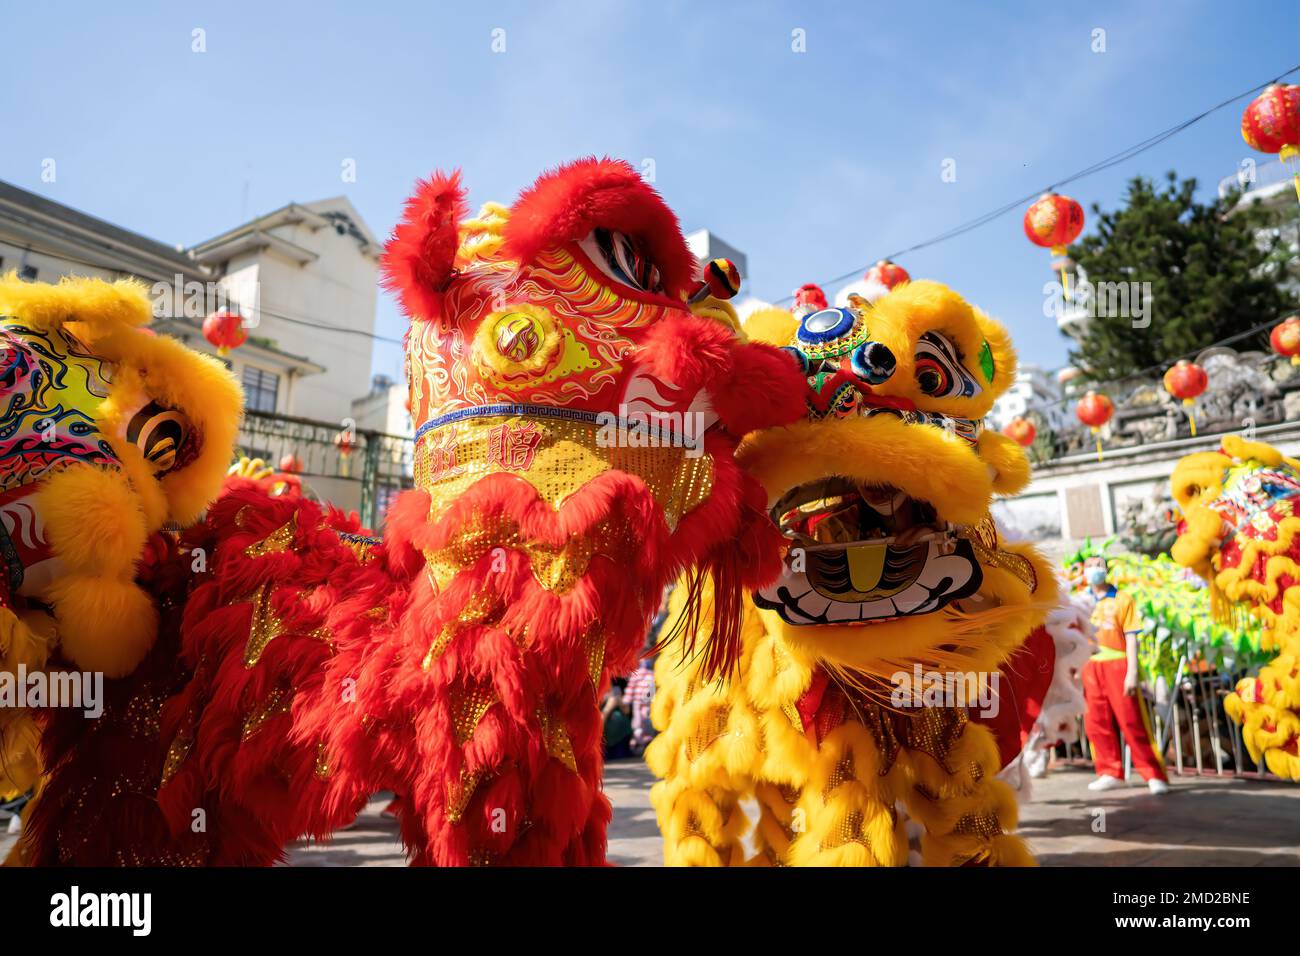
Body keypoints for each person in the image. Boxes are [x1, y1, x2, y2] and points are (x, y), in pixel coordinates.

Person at [1081, 555, 1170, 794]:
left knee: (1131, 719)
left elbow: (1132, 637)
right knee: (1096, 722)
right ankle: (1109, 771)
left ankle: (1153, 774)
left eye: (1098, 565)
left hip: (1118, 663)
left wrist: (1132, 672)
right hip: (1090, 665)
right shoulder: (1081, 602)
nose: (1093, 570)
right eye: (1089, 566)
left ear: (1106, 570)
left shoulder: (1123, 599)